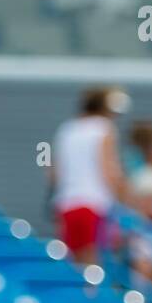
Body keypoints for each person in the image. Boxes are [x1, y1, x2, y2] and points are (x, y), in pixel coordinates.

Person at [48, 86, 130, 265]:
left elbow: (54, 173)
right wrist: (125, 199)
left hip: (67, 205)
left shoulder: (67, 129)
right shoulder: (104, 128)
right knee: (93, 265)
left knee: (71, 263)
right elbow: (109, 170)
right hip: (94, 205)